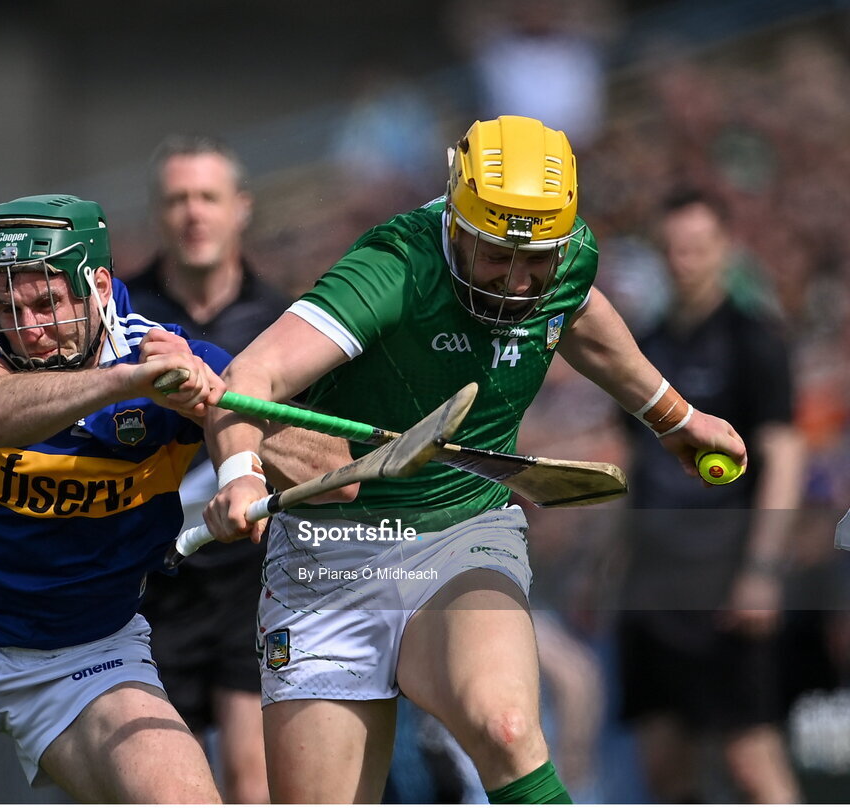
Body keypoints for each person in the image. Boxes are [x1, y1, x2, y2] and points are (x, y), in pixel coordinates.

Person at [197, 115, 747, 803]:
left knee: (507, 726)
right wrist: (239, 473)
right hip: (327, 557)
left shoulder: (567, 257)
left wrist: (674, 417)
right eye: (495, 256)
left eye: (536, 259)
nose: (516, 281)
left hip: (462, 533)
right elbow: (252, 377)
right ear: (456, 224)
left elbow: (576, 313)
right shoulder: (396, 268)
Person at [0, 193, 350, 803]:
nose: (28, 329)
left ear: (98, 287)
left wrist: (212, 403)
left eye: (47, 304)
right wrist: (125, 383)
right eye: (8, 307)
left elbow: (337, 471)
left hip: (88, 660)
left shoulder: (172, 355)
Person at [615, 188, 805, 803]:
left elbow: (785, 457)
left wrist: (762, 571)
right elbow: (630, 462)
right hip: (653, 582)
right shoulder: (643, 348)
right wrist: (605, 567)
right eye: (672, 249)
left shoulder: (755, 339)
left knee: (751, 758)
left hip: (726, 574)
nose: (684, 262)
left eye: (697, 248)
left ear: (725, 248)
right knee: (663, 763)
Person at [127, 134, 289, 803]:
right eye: (177, 199)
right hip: (147, 580)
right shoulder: (120, 319)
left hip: (251, 572)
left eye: (208, 197)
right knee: (165, 787)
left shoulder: (282, 321)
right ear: (157, 212)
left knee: (255, 780)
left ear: (241, 206)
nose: (194, 213)